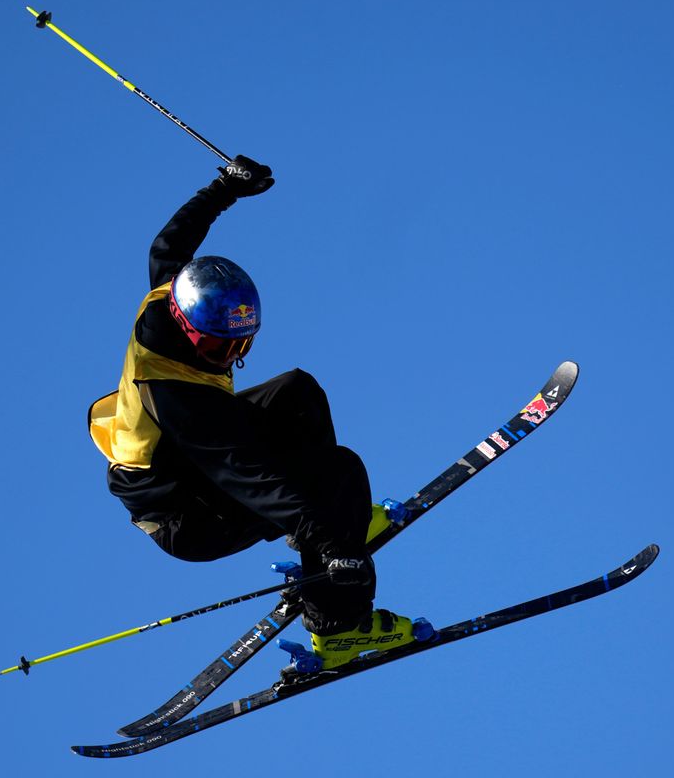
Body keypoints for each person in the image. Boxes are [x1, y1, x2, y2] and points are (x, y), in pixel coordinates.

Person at [87, 156, 428, 671]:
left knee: (296, 391)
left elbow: (169, 244)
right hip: (186, 517)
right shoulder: (176, 393)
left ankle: (331, 536)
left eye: (241, 344)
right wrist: (329, 536)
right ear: (186, 326)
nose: (232, 357)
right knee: (340, 473)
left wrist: (224, 188)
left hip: (190, 467)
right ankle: (339, 629)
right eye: (220, 347)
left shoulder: (168, 294)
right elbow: (251, 478)